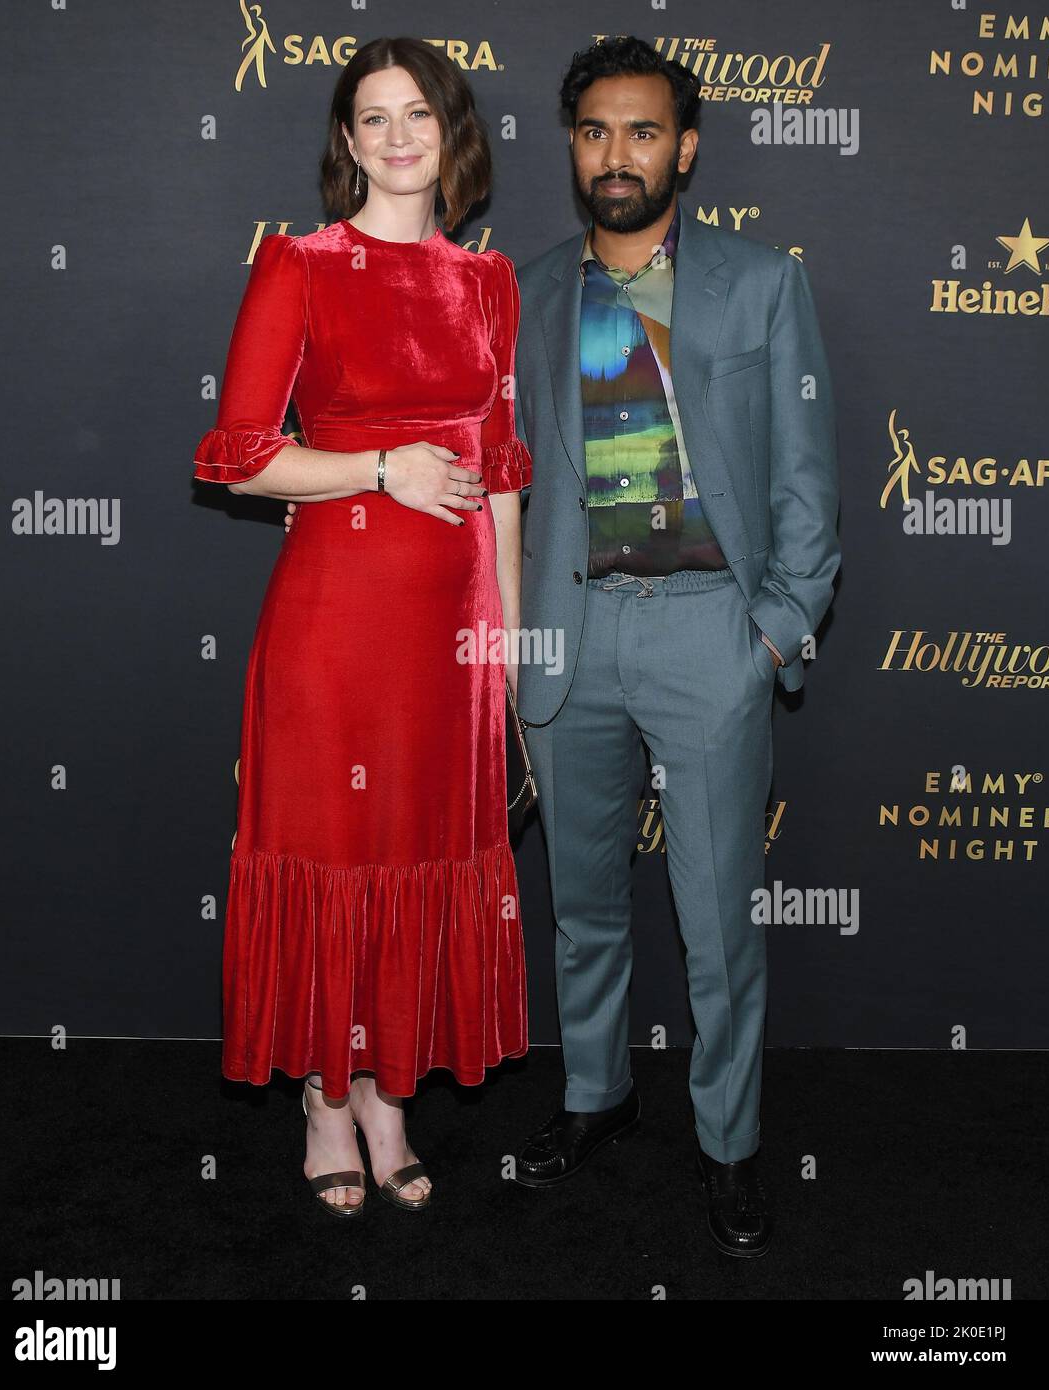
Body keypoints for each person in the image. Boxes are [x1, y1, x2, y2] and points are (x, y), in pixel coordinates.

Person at [507, 36, 841, 1256]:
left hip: (711, 630)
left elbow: (805, 484)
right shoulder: (528, 289)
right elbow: (498, 482)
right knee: (581, 906)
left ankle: (728, 1143)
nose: (615, 155)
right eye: (594, 131)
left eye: (642, 132)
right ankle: (596, 1096)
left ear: (684, 150)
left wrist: (773, 630)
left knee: (717, 920)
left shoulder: (760, 285)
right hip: (573, 632)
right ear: (572, 147)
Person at [192, 36, 533, 1218]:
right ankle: (325, 1100)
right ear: (345, 143)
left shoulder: (489, 284)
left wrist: (509, 656)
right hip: (332, 631)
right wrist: (379, 464)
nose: (397, 136)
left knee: (412, 856)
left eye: (418, 115)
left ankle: (390, 1089)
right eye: (372, 117)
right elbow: (238, 458)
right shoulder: (299, 265)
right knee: (338, 859)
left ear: (453, 135)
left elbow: (500, 483)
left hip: (452, 646)